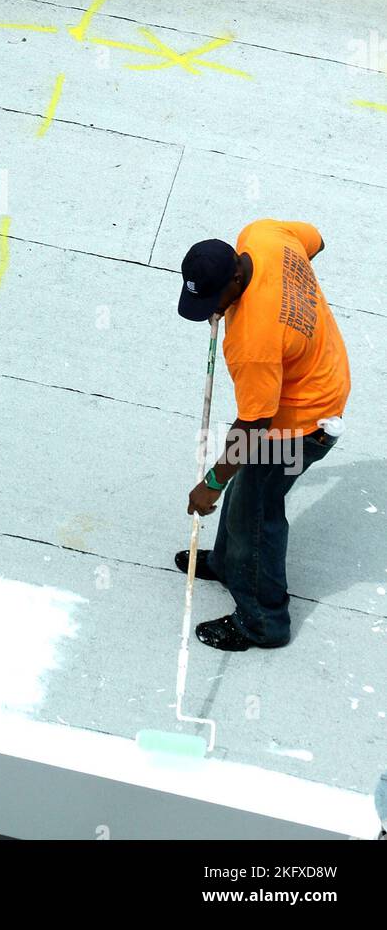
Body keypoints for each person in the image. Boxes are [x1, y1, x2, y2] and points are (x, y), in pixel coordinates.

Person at [175, 220, 350, 651]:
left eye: (218, 301)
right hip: (318, 375)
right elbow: (317, 239)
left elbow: (254, 425)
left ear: (237, 276)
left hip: (303, 424)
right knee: (247, 492)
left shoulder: (253, 341)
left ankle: (263, 621)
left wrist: (211, 484)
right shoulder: (264, 236)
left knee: (256, 512)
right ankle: (227, 563)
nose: (213, 311)